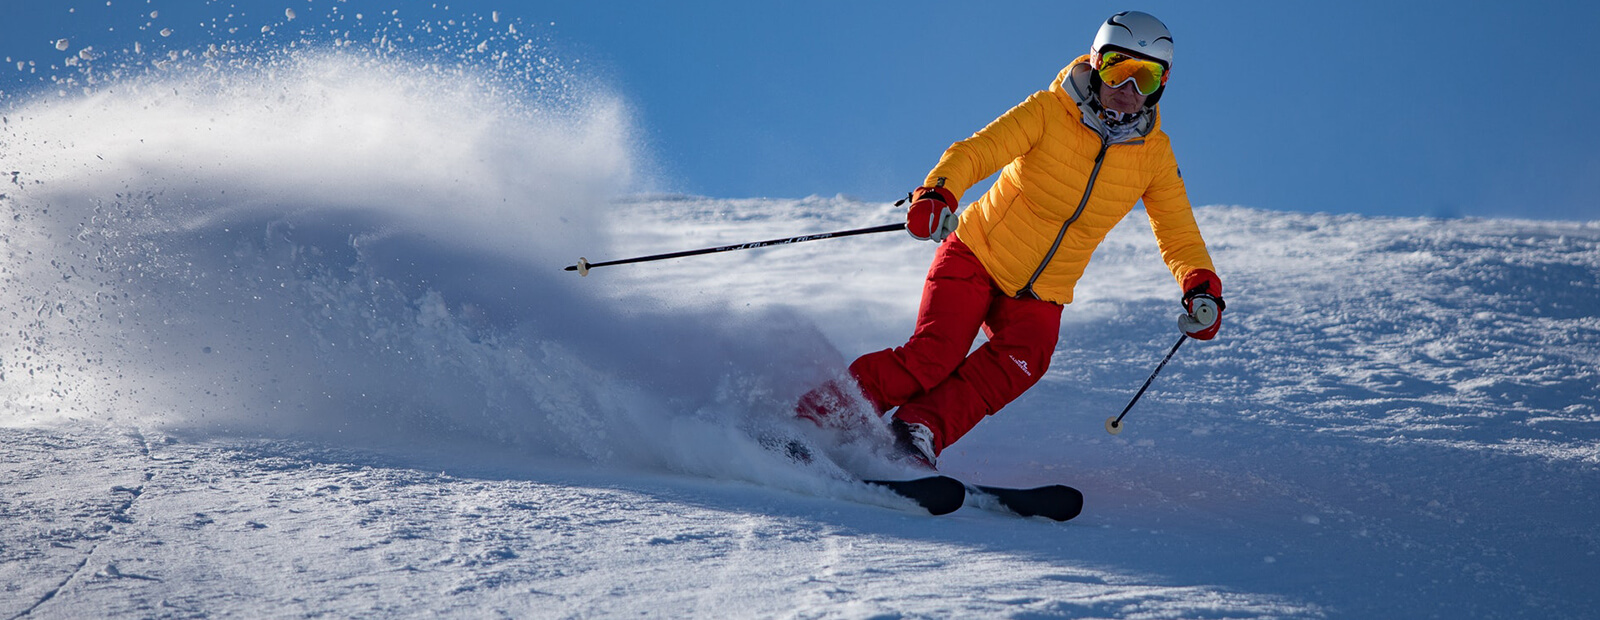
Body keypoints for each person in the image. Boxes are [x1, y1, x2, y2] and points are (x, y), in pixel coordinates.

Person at [796, 11, 1225, 468]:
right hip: (977, 254)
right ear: (1098, 64)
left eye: (1147, 76)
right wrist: (938, 194)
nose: (1129, 88)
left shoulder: (1154, 156)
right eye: (1120, 69)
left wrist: (1201, 286)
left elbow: (1177, 228)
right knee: (934, 355)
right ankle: (816, 418)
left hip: (1043, 292)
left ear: (1162, 83)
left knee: (1025, 360)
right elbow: (977, 151)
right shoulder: (1049, 111)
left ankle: (917, 430)